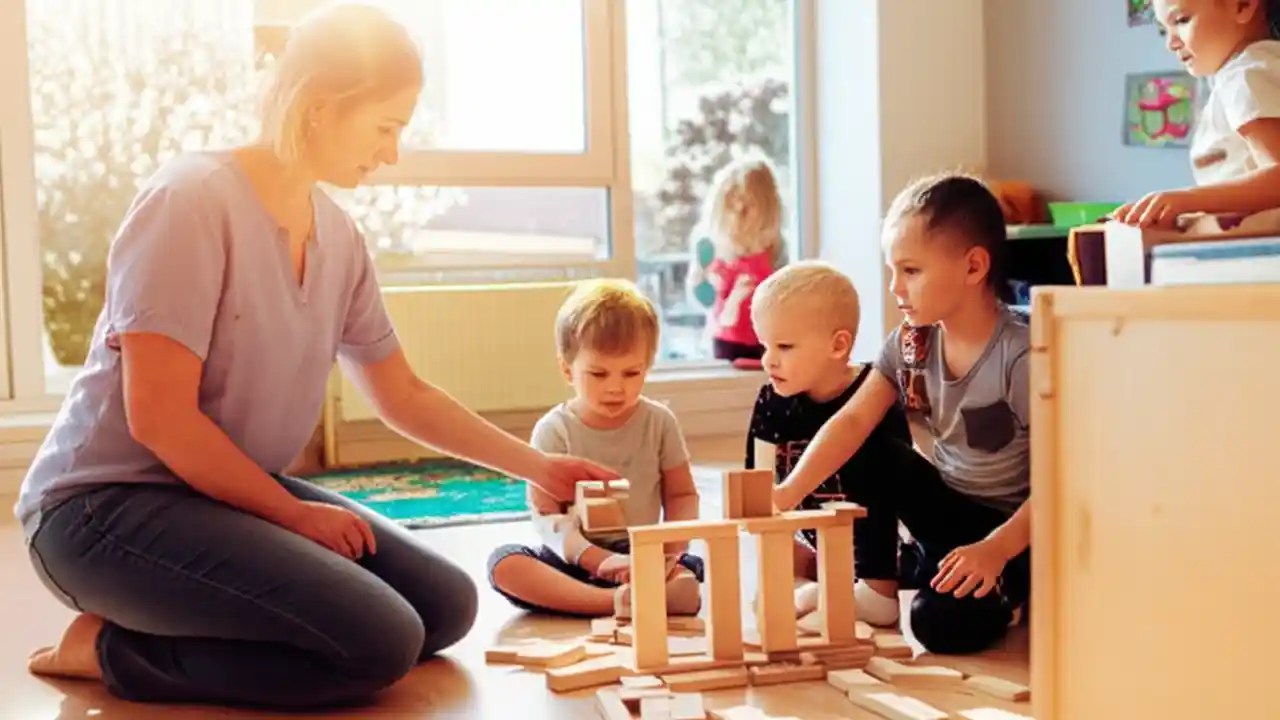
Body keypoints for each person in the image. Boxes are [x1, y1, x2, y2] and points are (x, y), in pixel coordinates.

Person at [15, 3, 614, 710]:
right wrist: (296, 517)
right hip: (102, 512)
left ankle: (183, 616)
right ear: (322, 109)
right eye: (386, 126)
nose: (393, 151)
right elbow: (160, 421)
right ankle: (112, 650)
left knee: (445, 606)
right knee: (377, 642)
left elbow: (402, 394)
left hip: (217, 496)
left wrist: (541, 466)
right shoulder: (189, 202)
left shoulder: (337, 235)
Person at [773, 174, 1031, 654]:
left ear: (974, 267)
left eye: (910, 271)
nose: (895, 288)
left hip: (1013, 534)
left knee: (936, 625)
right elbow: (850, 423)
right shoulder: (911, 344)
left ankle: (1010, 590)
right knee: (871, 449)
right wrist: (787, 493)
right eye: (892, 271)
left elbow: (1065, 482)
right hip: (947, 512)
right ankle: (877, 591)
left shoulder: (1021, 356)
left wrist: (996, 549)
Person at [488, 280, 703, 618]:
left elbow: (682, 495)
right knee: (505, 563)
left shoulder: (660, 422)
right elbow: (549, 518)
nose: (616, 387)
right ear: (566, 369)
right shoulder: (554, 430)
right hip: (575, 559)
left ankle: (649, 590)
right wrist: (598, 560)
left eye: (632, 373)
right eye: (598, 374)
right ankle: (616, 603)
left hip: (643, 556)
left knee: (690, 567)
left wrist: (669, 552)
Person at [743, 261, 914, 627]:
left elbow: (893, 496)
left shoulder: (874, 394)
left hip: (874, 548)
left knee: (873, 474)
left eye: (784, 346)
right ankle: (812, 584)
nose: (768, 360)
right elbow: (759, 482)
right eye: (764, 345)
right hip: (812, 539)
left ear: (838, 345)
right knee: (771, 587)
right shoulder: (772, 400)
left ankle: (873, 592)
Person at [1116, 0, 1280, 228]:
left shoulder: (1246, 75)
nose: (1170, 43)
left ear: (1243, 5)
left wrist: (1187, 200)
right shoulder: (1250, 70)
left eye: (1181, 20)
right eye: (1165, 29)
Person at [686, 154, 789, 362]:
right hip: (723, 344)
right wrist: (700, 278)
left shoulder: (775, 248)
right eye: (734, 206)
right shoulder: (710, 246)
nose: (740, 212)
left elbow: (784, 298)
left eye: (749, 206)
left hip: (766, 344)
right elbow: (704, 298)